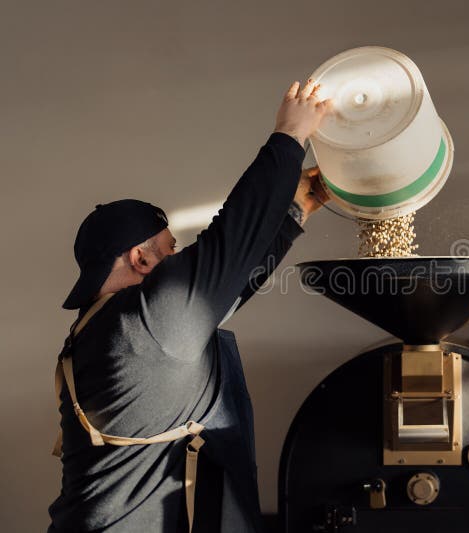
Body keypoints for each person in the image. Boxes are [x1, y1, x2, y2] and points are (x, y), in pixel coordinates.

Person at [48, 79, 332, 532]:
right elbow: (230, 241)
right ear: (140, 258)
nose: (180, 259)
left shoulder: (107, 330)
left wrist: (294, 213)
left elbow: (227, 288)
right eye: (170, 247)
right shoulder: (139, 326)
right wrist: (289, 136)